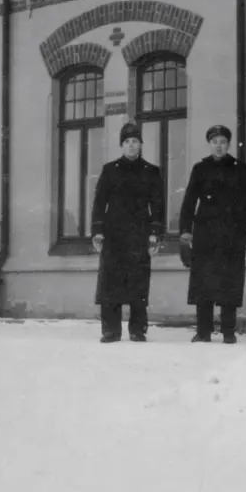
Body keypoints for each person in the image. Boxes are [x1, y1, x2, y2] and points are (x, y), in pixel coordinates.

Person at [178, 125, 246, 344]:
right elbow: (188, 202)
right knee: (203, 283)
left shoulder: (241, 169)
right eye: (215, 142)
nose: (219, 146)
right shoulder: (200, 169)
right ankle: (203, 331)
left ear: (228, 144)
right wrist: (185, 231)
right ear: (209, 144)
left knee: (230, 283)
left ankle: (228, 331)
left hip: (233, 234)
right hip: (205, 233)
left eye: (223, 142)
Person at [90, 122, 165, 343]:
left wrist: (154, 232)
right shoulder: (109, 170)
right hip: (114, 235)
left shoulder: (151, 172)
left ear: (141, 145)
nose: (131, 146)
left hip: (139, 234)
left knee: (138, 282)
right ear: (121, 146)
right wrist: (97, 231)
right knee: (110, 282)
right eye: (127, 142)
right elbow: (99, 203)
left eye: (135, 142)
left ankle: (138, 329)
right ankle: (110, 330)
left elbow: (158, 206)